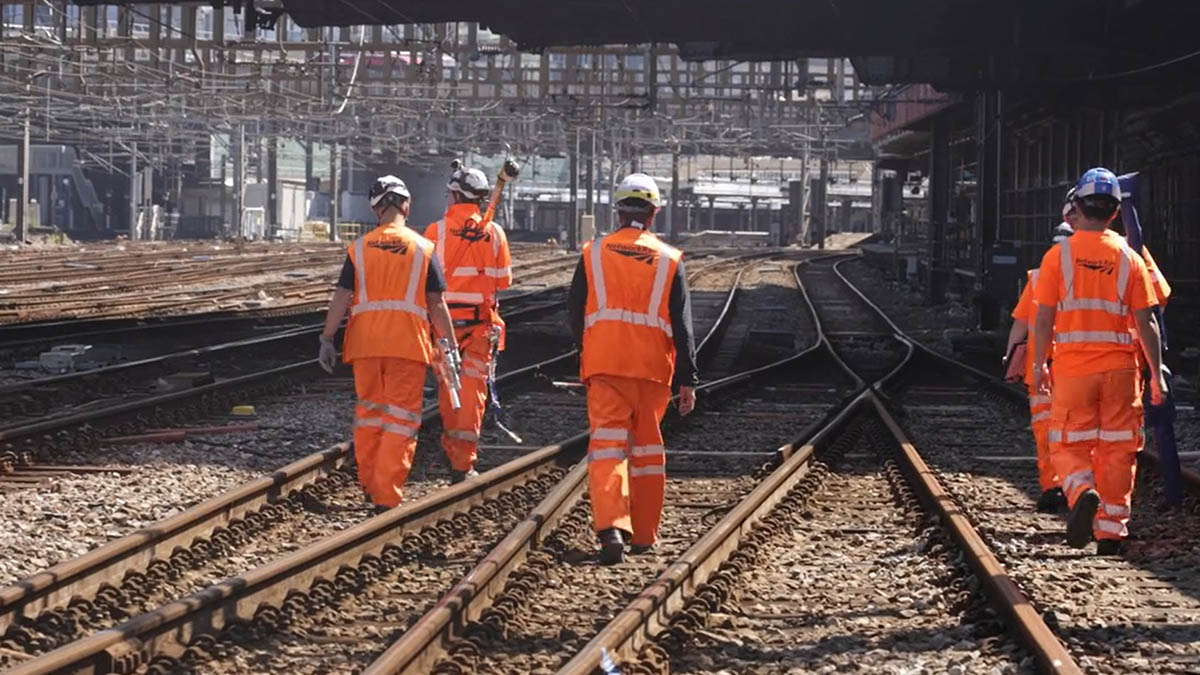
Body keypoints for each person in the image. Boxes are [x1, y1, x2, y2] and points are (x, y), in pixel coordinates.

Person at [1031, 167, 1168, 555]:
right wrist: (1156, 375)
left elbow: (1043, 318)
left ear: (1077, 206)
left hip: (1074, 370)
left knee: (1066, 442)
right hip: (1122, 373)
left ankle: (1080, 490)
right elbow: (1147, 322)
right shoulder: (1130, 258)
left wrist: (1039, 364)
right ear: (1114, 212)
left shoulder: (1058, 257)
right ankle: (1111, 533)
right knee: (1118, 450)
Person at [567, 173, 699, 565]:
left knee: (607, 447)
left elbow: (574, 311)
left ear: (618, 212)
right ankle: (643, 534)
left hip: (605, 366)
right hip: (653, 370)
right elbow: (683, 326)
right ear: (654, 214)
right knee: (647, 452)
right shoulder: (670, 260)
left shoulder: (593, 253)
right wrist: (688, 380)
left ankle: (611, 527)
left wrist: (586, 349)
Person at [318, 175, 458, 509]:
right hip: (407, 347)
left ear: (375, 208)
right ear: (406, 205)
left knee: (369, 414)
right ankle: (386, 494)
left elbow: (341, 297)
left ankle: (369, 483)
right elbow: (437, 304)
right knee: (401, 420)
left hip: (365, 347)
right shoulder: (423, 249)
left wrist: (326, 338)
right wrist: (450, 345)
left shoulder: (359, 249)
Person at [424, 162, 513, 483]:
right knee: (472, 395)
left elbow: (425, 283)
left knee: (450, 393)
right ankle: (462, 463)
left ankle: (454, 454)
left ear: (457, 195)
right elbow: (503, 281)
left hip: (443, 329)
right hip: (479, 330)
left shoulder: (434, 232)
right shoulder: (495, 233)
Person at [1003, 221, 1073, 512]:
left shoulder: (1037, 278)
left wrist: (1010, 357)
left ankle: (1052, 487)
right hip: (1076, 367)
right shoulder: (1088, 277)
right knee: (1077, 431)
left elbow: (1020, 324)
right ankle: (1078, 487)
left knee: (1046, 431)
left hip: (1040, 367)